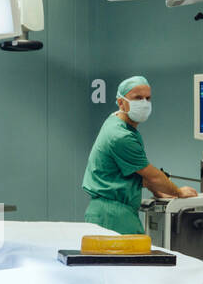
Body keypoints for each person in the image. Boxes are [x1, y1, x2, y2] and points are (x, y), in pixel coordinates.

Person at [81, 75, 196, 234]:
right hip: (114, 216)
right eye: (138, 98)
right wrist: (178, 192)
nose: (144, 103)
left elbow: (130, 172)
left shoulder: (115, 121)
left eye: (148, 98)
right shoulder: (121, 136)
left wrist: (156, 190)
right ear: (121, 102)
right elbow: (152, 175)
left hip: (108, 212)